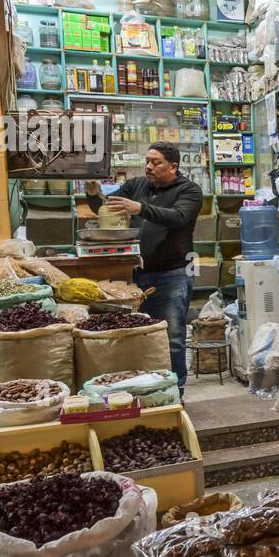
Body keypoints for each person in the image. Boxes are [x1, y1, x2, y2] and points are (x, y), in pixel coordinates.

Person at [85, 142, 202, 394]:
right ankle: (143, 390)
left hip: (171, 275)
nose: (148, 166)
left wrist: (140, 208)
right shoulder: (135, 185)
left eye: (156, 162)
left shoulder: (190, 190)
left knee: (171, 338)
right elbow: (106, 208)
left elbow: (178, 217)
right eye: (147, 161)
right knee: (137, 336)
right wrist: (94, 195)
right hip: (133, 274)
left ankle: (175, 392)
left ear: (173, 166)